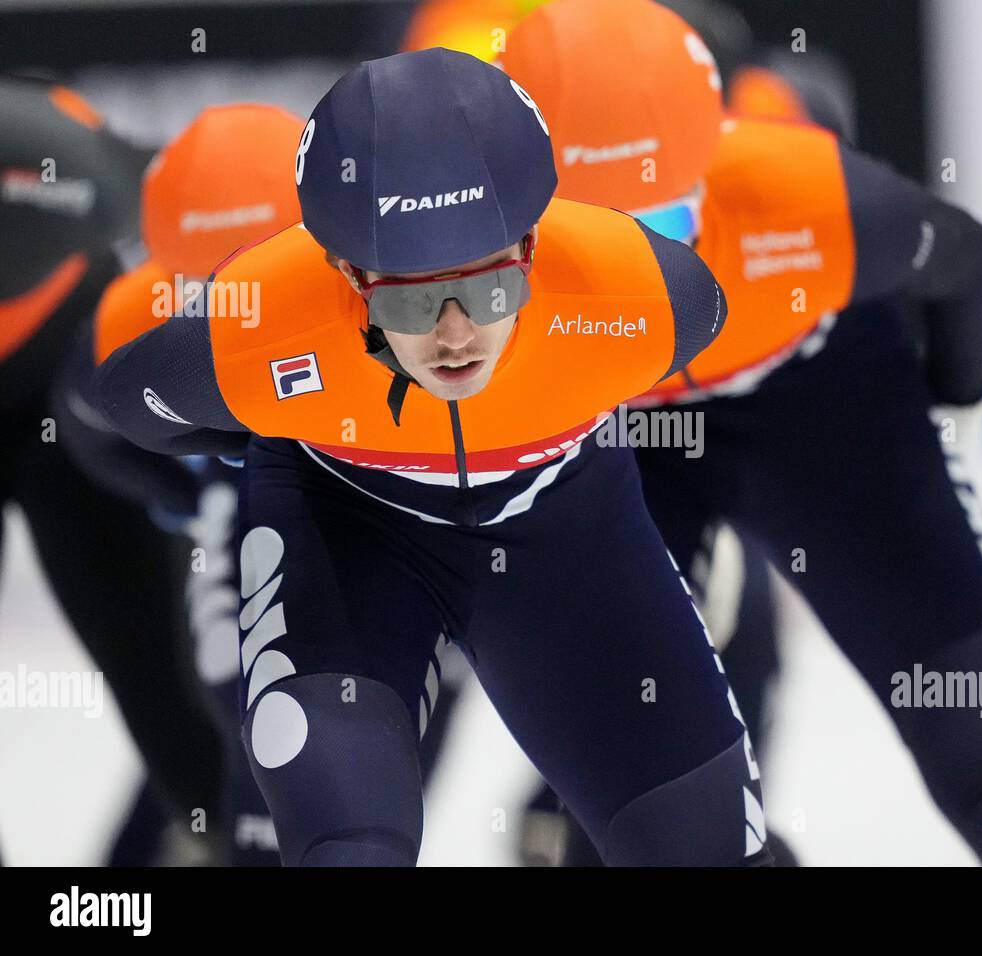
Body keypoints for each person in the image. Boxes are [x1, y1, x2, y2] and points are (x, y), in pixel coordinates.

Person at [92, 48, 769, 867]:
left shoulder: (648, 293)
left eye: (490, 293)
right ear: (346, 272)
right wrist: (253, 453)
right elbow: (120, 408)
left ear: (530, 251)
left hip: (567, 535)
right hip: (348, 535)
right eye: (412, 299)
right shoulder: (255, 326)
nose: (454, 335)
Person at [499, 0, 982, 866]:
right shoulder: (467, 255)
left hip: (824, 410)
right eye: (598, 236)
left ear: (711, 164)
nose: (648, 270)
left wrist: (954, 407)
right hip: (621, 432)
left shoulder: (806, 195)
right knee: (624, 818)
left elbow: (966, 259)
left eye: (670, 224)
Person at [56, 103, 308, 866]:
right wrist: (190, 498)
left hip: (377, 515)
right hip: (244, 515)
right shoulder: (127, 322)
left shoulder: (392, 297)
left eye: (261, 278)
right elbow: (84, 425)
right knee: (246, 703)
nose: (233, 309)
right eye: (206, 288)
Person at [0, 75, 228, 863]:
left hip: (63, 384)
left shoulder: (51, 150)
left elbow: (179, 187)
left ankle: (230, 838)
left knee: (167, 683)